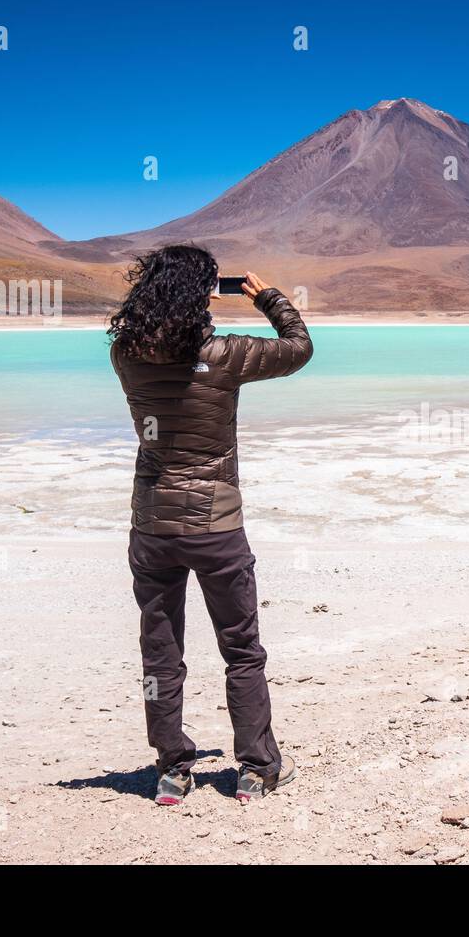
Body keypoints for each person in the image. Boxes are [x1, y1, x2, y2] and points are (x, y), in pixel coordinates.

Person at [107, 244, 312, 806]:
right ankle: (255, 769)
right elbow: (299, 349)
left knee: (160, 648)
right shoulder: (224, 355)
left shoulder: (126, 353)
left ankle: (173, 769)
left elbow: (163, 346)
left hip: (152, 525)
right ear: (204, 293)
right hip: (217, 525)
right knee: (241, 648)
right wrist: (268, 298)